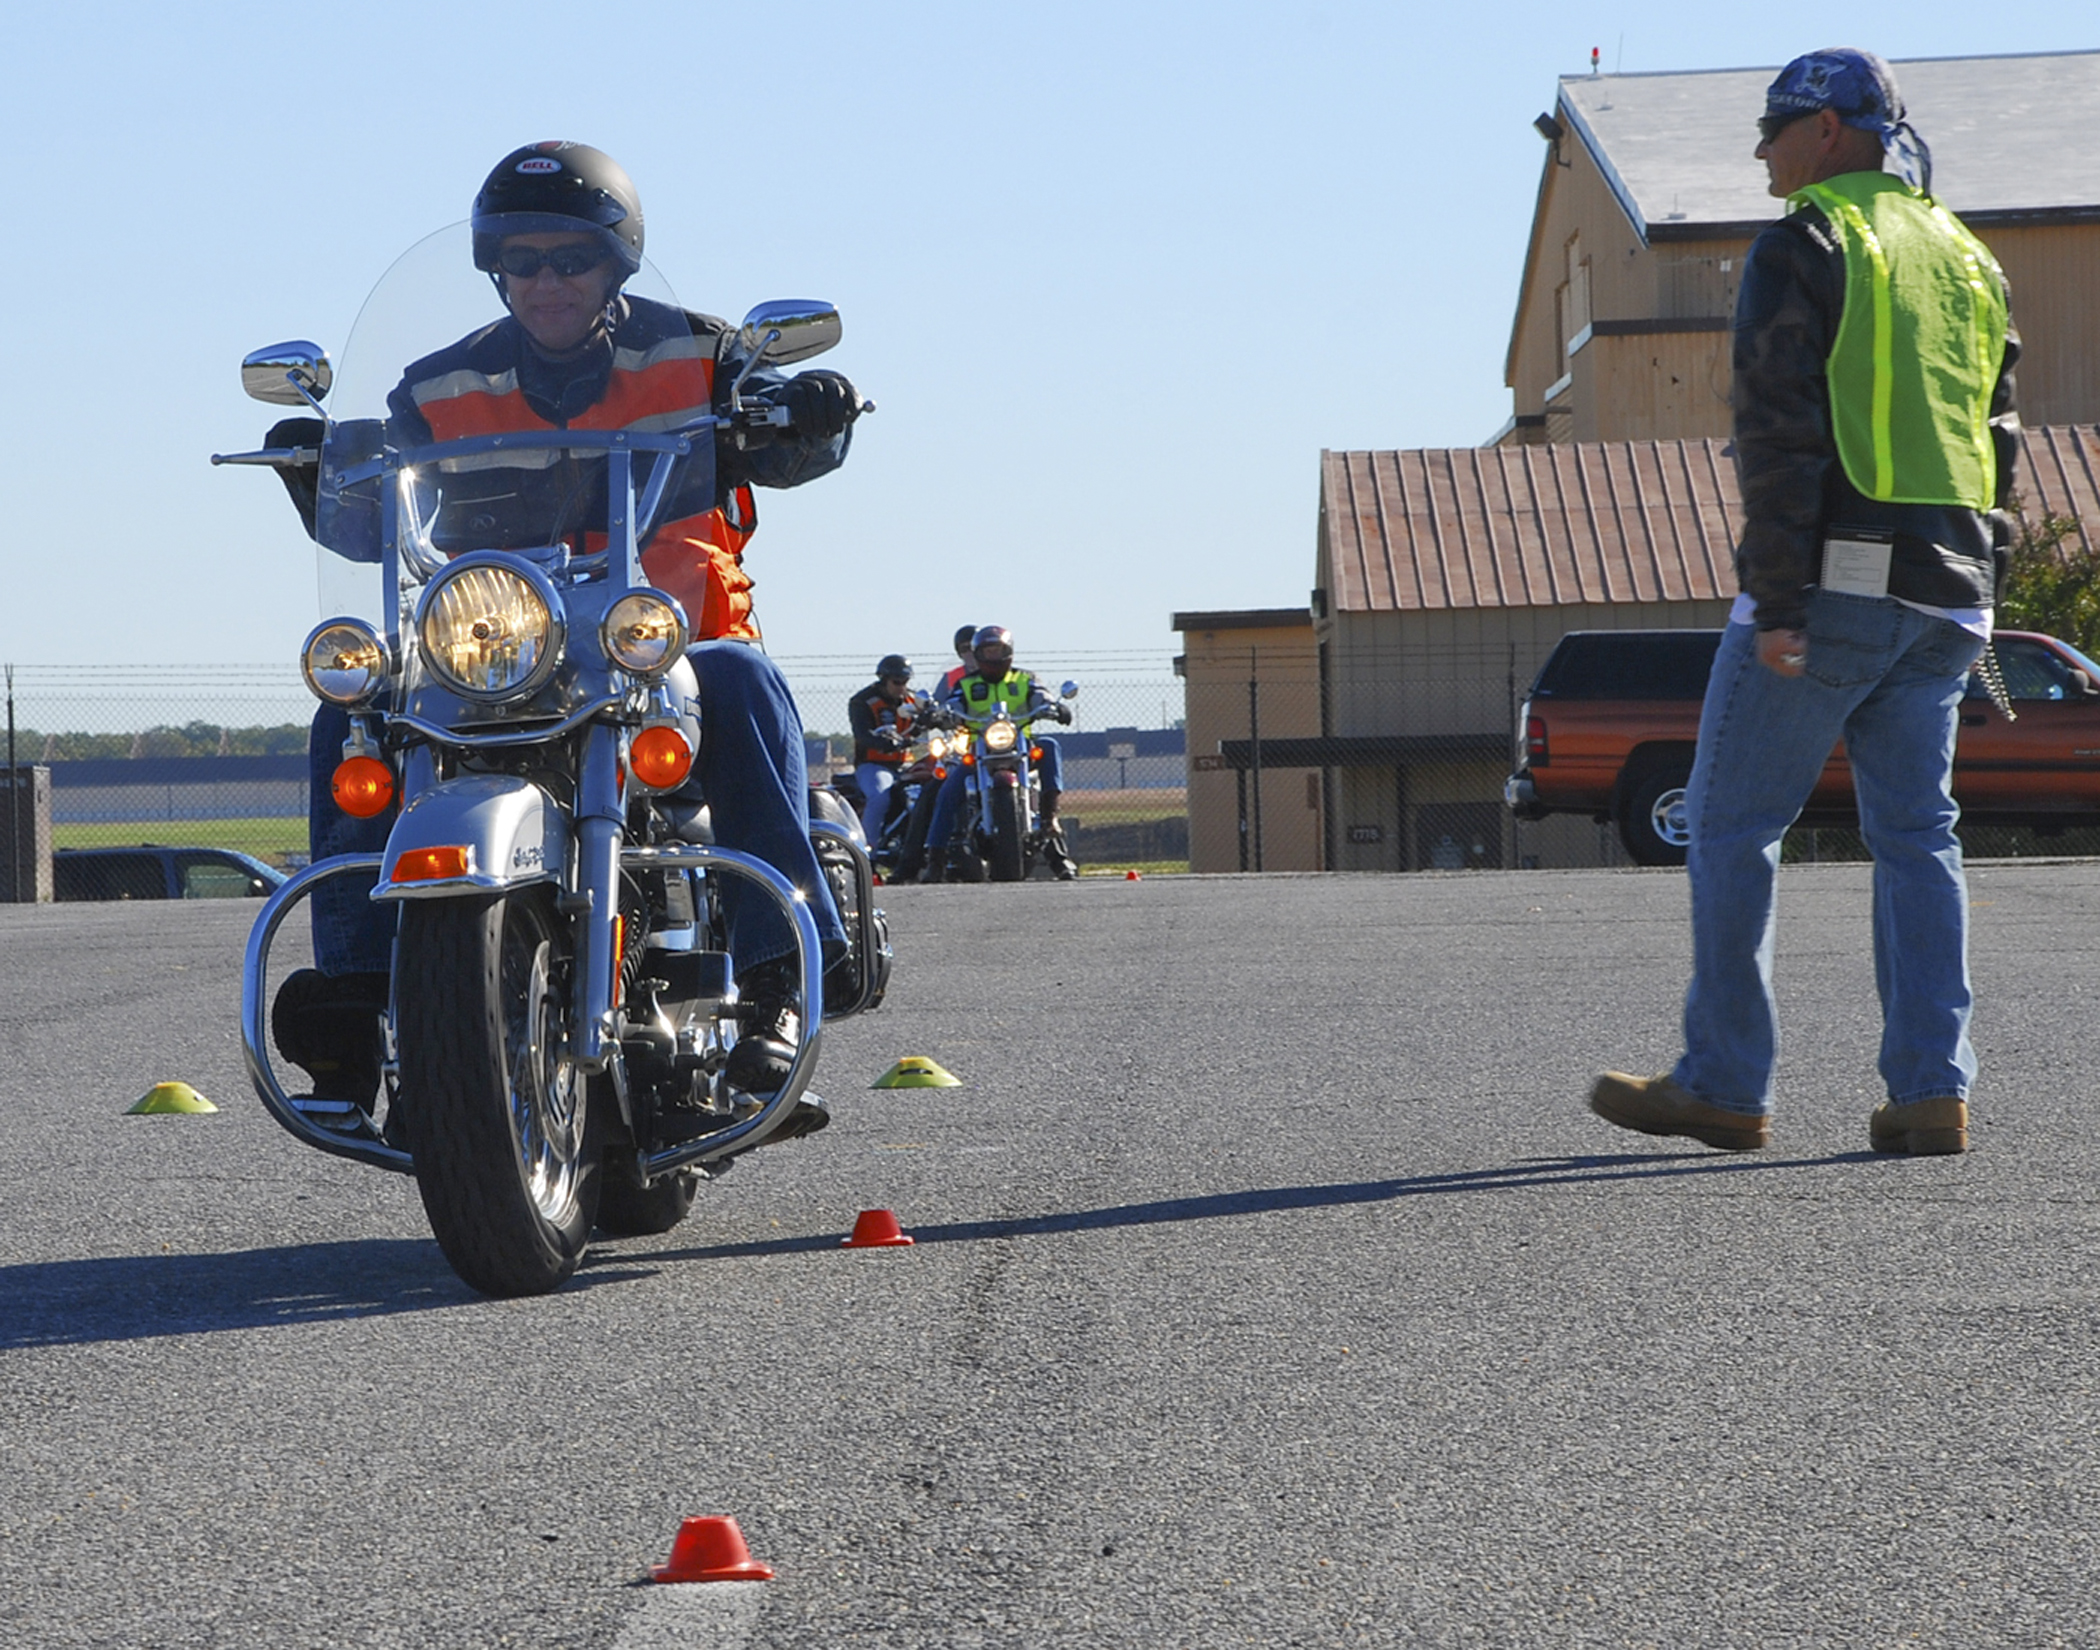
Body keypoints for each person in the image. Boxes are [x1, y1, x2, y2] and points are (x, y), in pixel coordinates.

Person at [277, 141, 860, 1131]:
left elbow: (799, 443)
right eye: (523, 260)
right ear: (494, 269)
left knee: (743, 678)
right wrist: (319, 468)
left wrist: (810, 415)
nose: (545, 280)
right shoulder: (437, 384)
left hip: (663, 642)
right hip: (505, 652)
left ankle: (780, 976)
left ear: (617, 264)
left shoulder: (700, 355)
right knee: (353, 717)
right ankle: (359, 999)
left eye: (570, 259)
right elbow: (381, 518)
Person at [1590, 49, 2019, 1157]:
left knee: (1734, 826)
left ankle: (1726, 1082)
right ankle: (1932, 1090)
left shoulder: (1810, 242)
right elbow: (1999, 435)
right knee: (1919, 838)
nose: (1761, 147)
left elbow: (1778, 432)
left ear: (1831, 128)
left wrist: (1779, 602)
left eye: (1776, 125)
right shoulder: (1967, 256)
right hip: (1947, 595)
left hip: (1833, 584)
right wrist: (1982, 593)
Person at [921, 625, 1078, 881]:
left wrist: (1053, 707)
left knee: (1049, 745)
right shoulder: (967, 685)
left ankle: (1051, 822)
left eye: (998, 650)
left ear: (1008, 653)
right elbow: (953, 703)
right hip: (980, 750)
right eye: (988, 651)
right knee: (947, 793)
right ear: (979, 654)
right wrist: (941, 714)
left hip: (1020, 747)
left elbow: (1041, 697)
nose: (993, 656)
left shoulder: (1024, 679)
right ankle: (935, 862)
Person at [848, 655, 917, 841]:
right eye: (896, 682)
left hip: (906, 765)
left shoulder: (912, 700)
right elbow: (862, 735)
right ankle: (868, 852)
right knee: (880, 796)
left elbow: (928, 720)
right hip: (874, 765)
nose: (902, 687)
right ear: (884, 679)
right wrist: (885, 743)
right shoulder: (863, 701)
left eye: (905, 681)